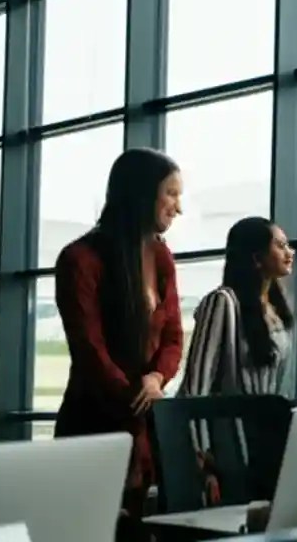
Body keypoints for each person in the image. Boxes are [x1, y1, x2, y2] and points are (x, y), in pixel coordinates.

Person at [53, 147, 185, 517]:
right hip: (95, 422)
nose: (178, 207)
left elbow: (174, 335)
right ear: (142, 194)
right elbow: (88, 347)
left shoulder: (161, 256)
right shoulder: (79, 259)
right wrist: (137, 397)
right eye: (171, 194)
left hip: (147, 420)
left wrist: (157, 378)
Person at [179, 217, 295, 397]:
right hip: (228, 422)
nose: (290, 253)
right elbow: (197, 382)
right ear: (257, 257)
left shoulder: (276, 309)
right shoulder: (222, 301)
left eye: (288, 245)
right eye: (280, 246)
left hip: (264, 421)